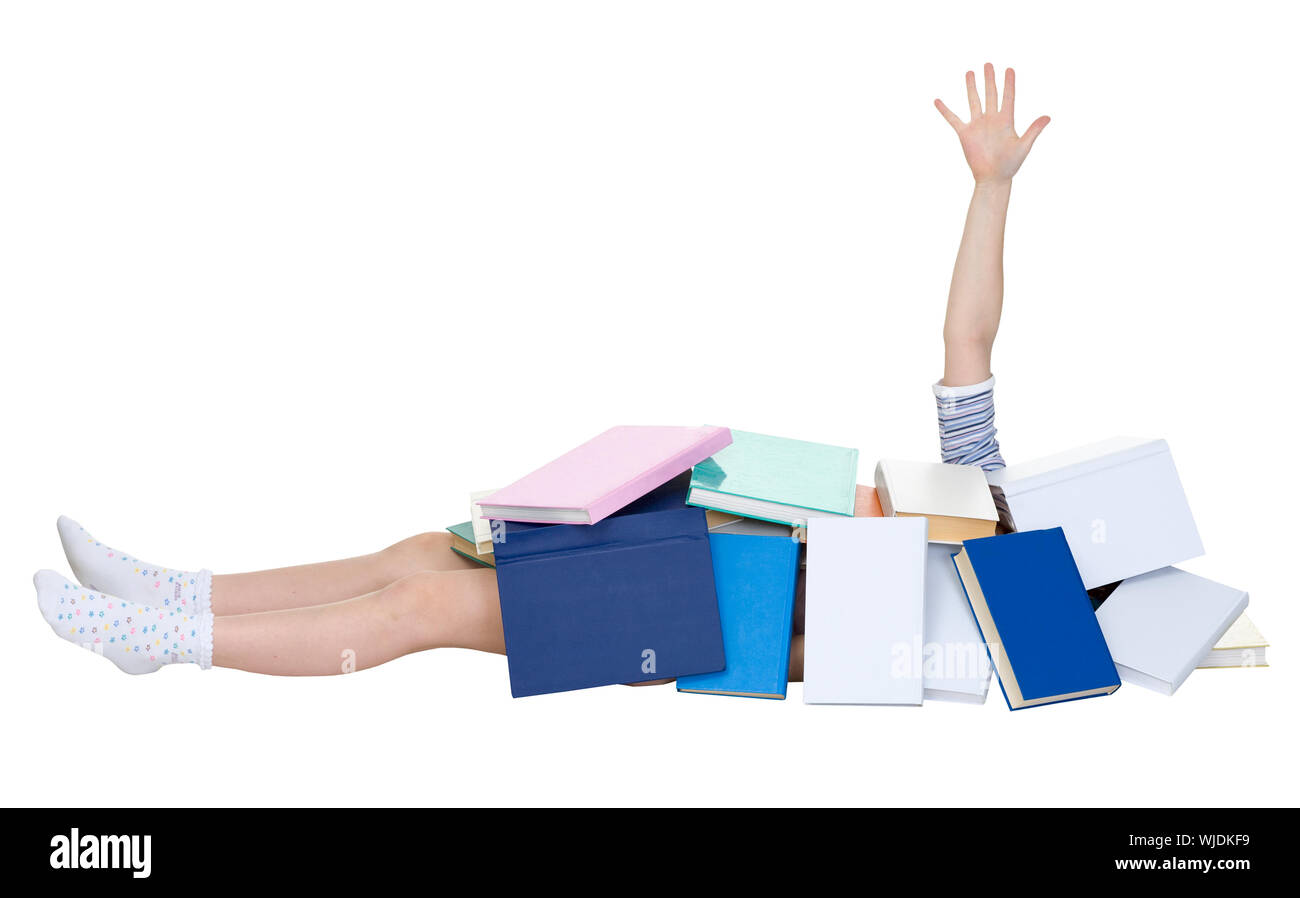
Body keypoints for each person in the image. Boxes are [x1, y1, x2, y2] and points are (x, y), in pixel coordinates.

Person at [32, 64, 1048, 680]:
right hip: (687, 529)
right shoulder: (992, 492)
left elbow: (827, 660)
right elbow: (969, 342)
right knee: (424, 552)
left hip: (696, 603)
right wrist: (990, 190)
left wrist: (710, 653)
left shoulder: (1001, 624)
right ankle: (185, 598)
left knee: (423, 612)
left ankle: (172, 642)